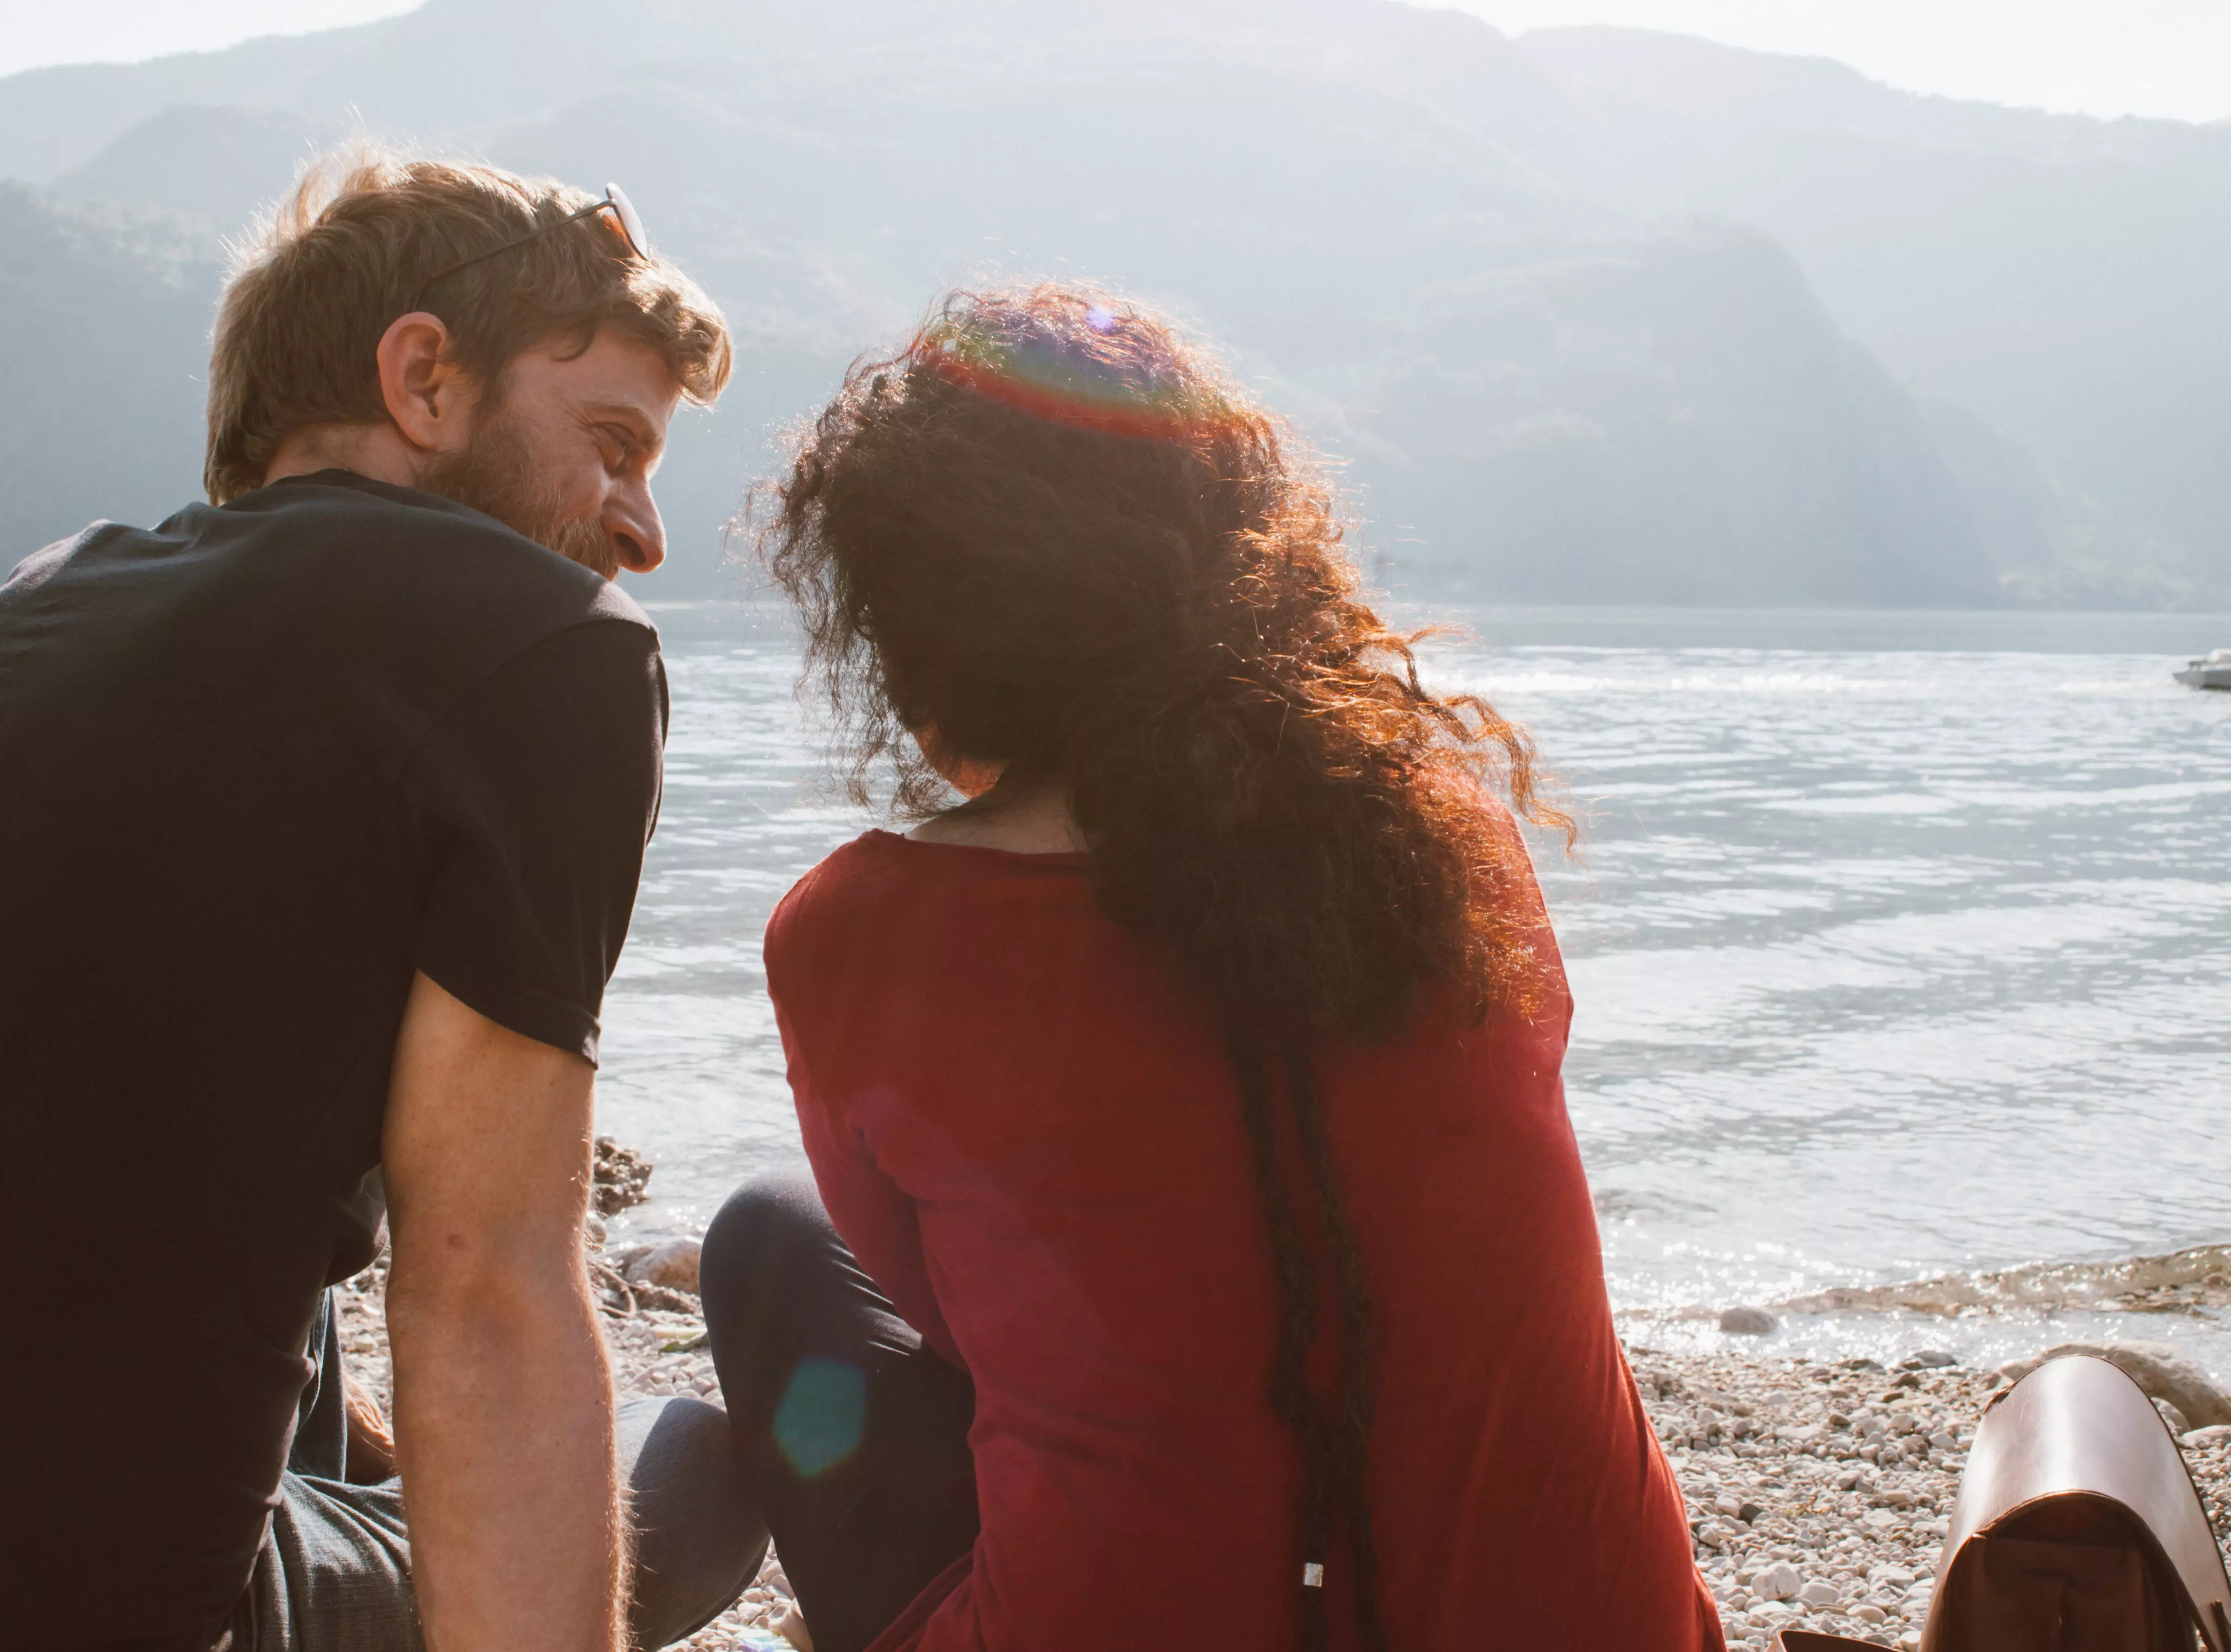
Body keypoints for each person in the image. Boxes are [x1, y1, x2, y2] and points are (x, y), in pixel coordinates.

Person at [0, 156, 768, 1652]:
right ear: (425, 376)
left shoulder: (40, 599)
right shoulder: (555, 642)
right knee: (694, 1468)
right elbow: (489, 1284)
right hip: (93, 1607)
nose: (640, 529)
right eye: (615, 445)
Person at [699, 284, 1726, 1651]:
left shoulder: (859, 936)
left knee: (774, 1243)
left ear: (915, 626)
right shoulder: (1448, 838)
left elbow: (957, 1329)